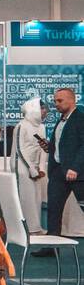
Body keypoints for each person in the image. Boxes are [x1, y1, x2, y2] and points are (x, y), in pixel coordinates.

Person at [44, 87, 84, 241]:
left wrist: (75, 167)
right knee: (54, 210)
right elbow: (64, 145)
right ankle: (52, 245)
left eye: (60, 101)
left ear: (72, 100)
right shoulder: (61, 120)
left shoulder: (80, 118)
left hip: (77, 173)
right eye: (55, 101)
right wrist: (49, 147)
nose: (56, 104)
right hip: (58, 172)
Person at [13, 97, 47, 234]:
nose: (45, 112)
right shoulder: (21, 126)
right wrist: (31, 168)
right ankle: (28, 228)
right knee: (27, 196)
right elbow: (19, 149)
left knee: (37, 197)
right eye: (42, 109)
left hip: (36, 166)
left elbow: (43, 148)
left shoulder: (42, 127)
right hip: (22, 166)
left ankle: (36, 226)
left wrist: (42, 168)